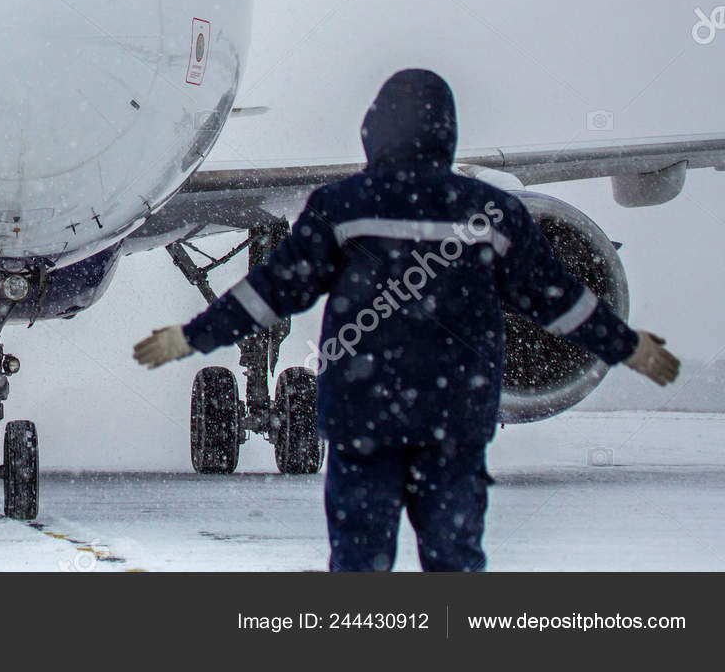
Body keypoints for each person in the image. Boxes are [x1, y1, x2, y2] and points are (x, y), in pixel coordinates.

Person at [133, 68, 680, 571]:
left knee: (360, 561)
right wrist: (626, 346)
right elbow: (561, 302)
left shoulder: (342, 206)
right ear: (447, 133)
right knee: (453, 559)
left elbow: (270, 294)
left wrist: (194, 336)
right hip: (453, 421)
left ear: (375, 130)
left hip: (364, 419)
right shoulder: (492, 212)